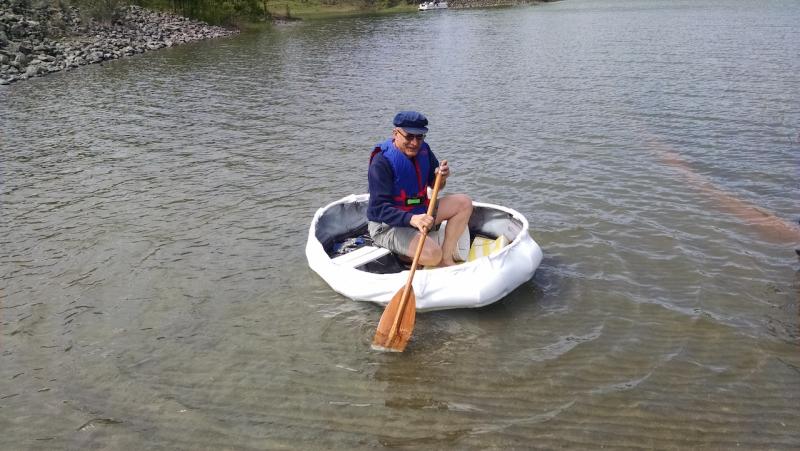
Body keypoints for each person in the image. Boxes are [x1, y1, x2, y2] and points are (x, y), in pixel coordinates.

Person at [367, 111, 473, 267]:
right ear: (396, 133)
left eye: (420, 137)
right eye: (409, 136)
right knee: (432, 254)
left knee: (464, 203)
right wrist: (412, 219)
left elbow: (436, 185)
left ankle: (446, 257)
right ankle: (403, 255)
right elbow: (378, 209)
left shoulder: (424, 151)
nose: (415, 143)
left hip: (420, 211)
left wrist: (441, 178)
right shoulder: (381, 162)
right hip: (387, 225)